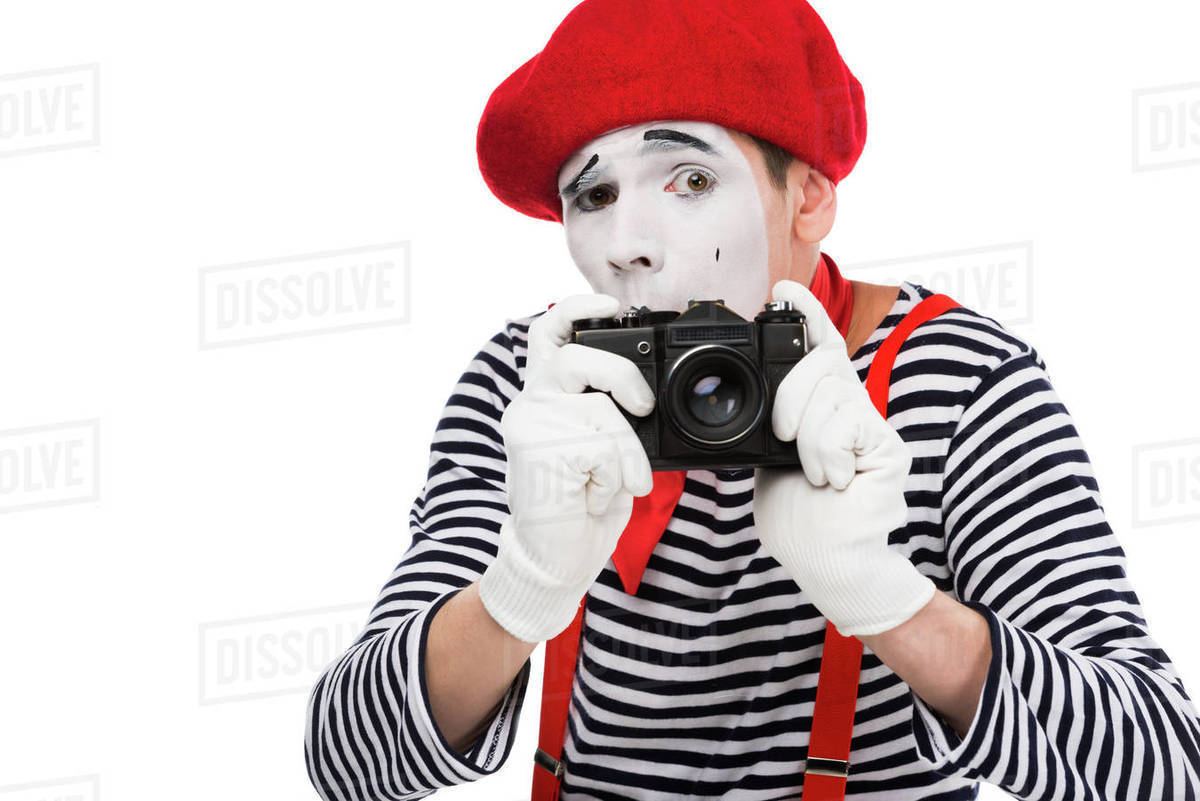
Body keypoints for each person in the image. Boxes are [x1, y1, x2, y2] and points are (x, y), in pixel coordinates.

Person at [304, 1, 1200, 798]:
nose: (628, 245)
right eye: (594, 193)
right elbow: (349, 764)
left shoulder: (961, 380)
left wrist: (893, 601)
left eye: (690, 180)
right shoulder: (530, 381)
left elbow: (1164, 765)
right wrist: (520, 588)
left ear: (808, 199)